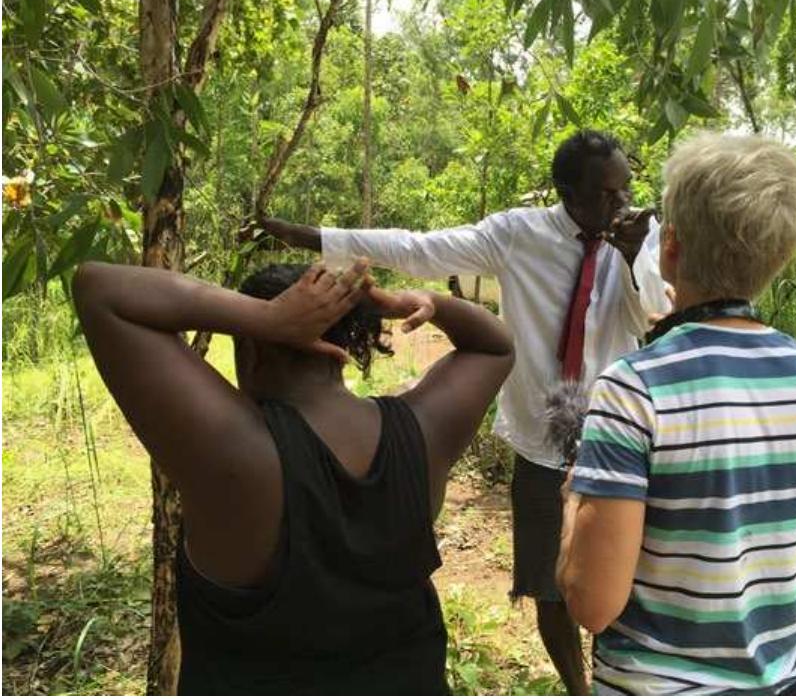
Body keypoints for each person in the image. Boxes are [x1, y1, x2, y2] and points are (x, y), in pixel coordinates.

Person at [261, 130, 672, 694]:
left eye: (626, 190)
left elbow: (655, 316)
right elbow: (418, 248)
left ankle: (614, 679)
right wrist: (316, 236)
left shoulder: (638, 242)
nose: (622, 204)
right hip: (543, 439)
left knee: (616, 576)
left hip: (616, 438)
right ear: (568, 194)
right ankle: (580, 690)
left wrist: (634, 259)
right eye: (607, 194)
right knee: (547, 584)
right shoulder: (517, 235)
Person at [73, 257, 514, 694]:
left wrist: (263, 318)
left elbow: (100, 289)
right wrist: (410, 301)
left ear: (251, 347)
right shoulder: (421, 431)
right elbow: (494, 346)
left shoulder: (236, 452)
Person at [557, 133, 796, 696]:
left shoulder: (635, 389)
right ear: (779, 255)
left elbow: (593, 602)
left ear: (670, 246)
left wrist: (574, 502)